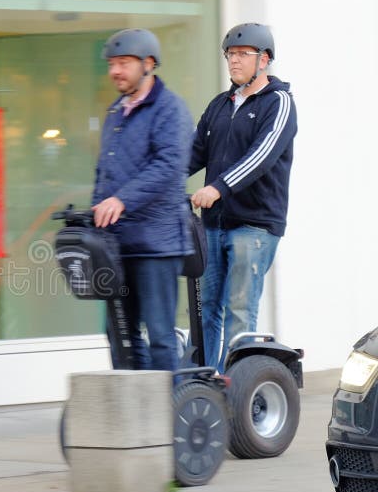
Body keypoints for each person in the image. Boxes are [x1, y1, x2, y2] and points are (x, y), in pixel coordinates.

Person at [189, 23, 298, 373]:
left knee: (239, 310)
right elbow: (194, 153)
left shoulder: (279, 103)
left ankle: (234, 387)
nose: (233, 61)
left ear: (264, 60)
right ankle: (204, 381)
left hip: (254, 226)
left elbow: (260, 156)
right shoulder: (220, 105)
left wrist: (217, 187)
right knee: (205, 309)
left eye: (242, 54)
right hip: (215, 224)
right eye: (230, 55)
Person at [92, 28, 194, 372]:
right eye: (112, 64)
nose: (115, 71)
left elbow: (169, 166)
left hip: (156, 243)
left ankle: (169, 418)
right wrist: (94, 214)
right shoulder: (115, 112)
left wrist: (121, 200)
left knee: (161, 336)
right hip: (118, 244)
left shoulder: (170, 109)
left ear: (148, 64)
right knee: (119, 334)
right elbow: (105, 169)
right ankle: (133, 413)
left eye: (123, 63)